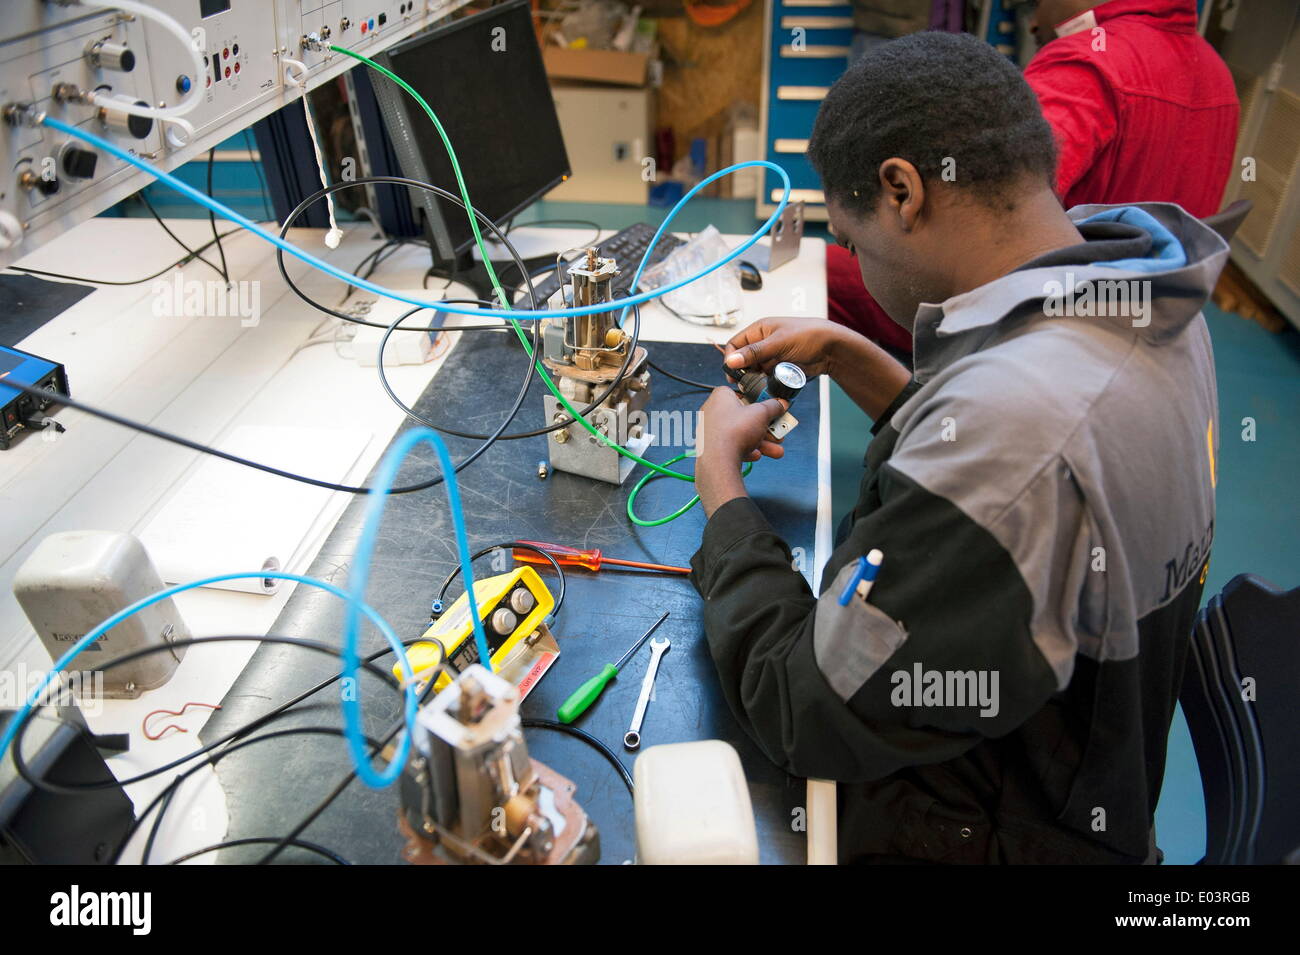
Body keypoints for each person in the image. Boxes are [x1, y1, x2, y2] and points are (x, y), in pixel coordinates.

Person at [689, 31, 1225, 863]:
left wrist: (722, 491)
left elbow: (804, 703)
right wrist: (861, 362)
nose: (859, 269)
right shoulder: (1142, 298)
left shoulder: (1016, 441)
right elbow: (1018, 486)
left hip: (1000, 827)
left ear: (902, 190)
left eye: (855, 242)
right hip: (1088, 769)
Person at [827, 0, 1239, 352]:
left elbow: (981, 210)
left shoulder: (1086, 63)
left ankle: (926, 422)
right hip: (1132, 312)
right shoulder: (1217, 74)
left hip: (1048, 321)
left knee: (816, 271)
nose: (1035, 23)